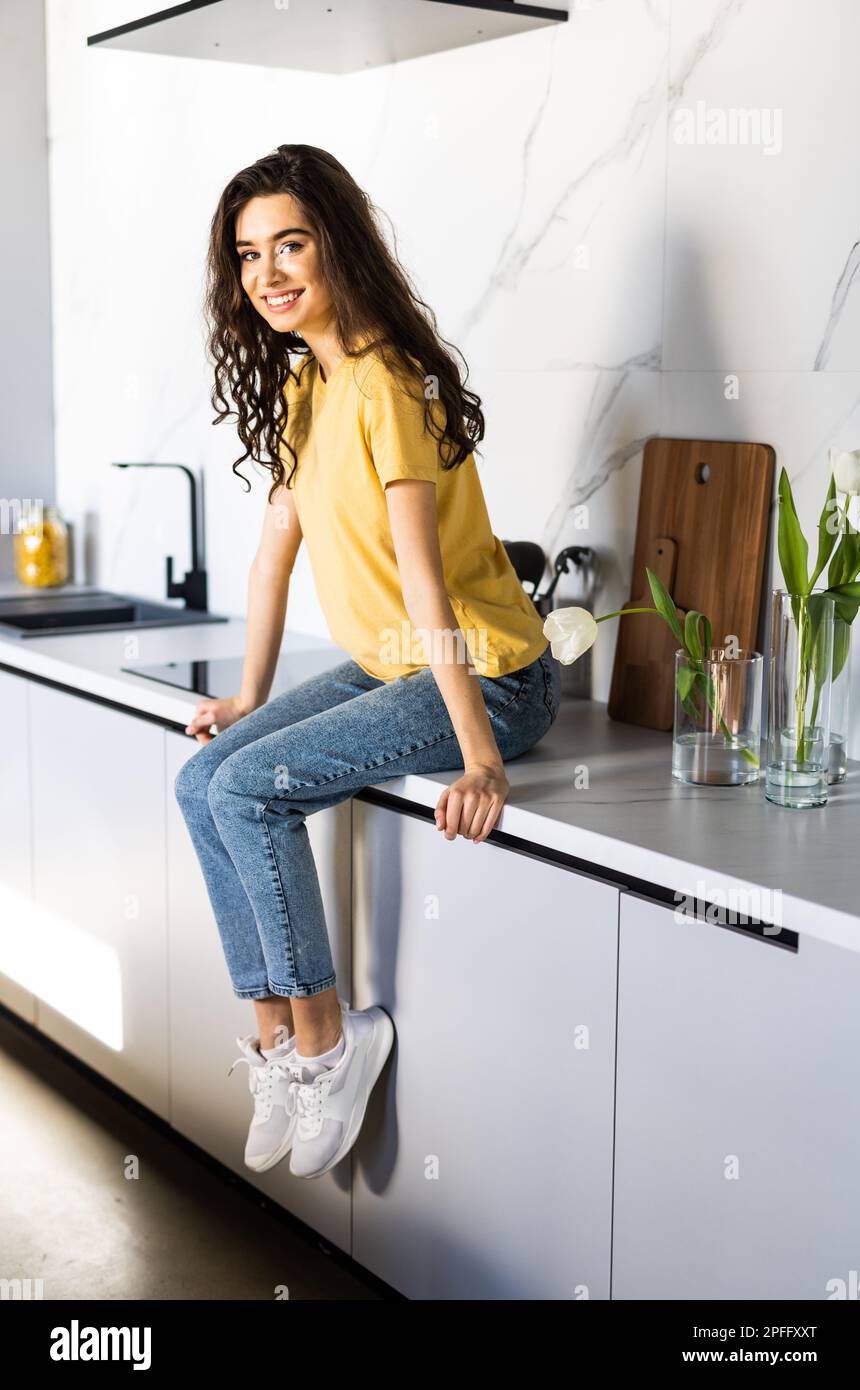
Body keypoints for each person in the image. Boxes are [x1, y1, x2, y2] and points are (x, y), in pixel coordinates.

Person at [174, 143, 561, 1182]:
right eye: (249, 255)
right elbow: (271, 560)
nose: (269, 272)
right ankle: (274, 1040)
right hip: (399, 668)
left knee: (251, 790)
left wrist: (481, 759)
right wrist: (247, 696)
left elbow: (428, 587)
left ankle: (330, 1043)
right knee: (205, 773)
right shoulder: (310, 386)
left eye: (289, 243)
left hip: (488, 675)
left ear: (335, 242)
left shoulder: (388, 378)